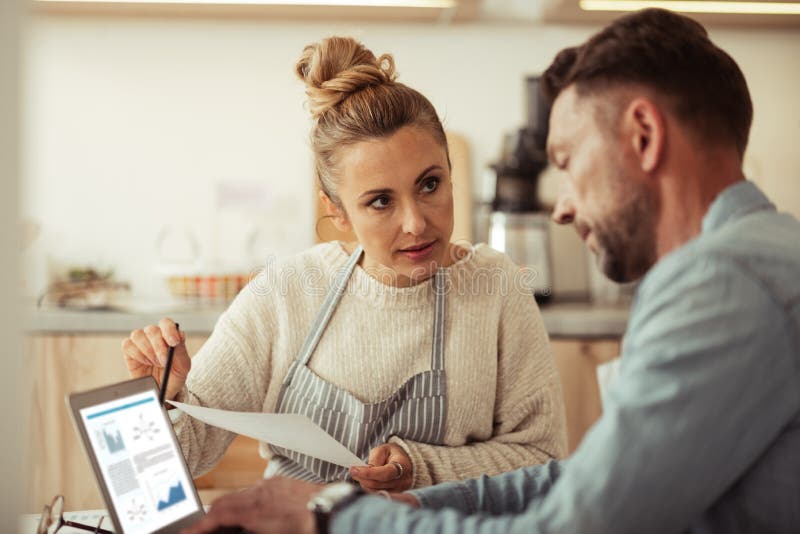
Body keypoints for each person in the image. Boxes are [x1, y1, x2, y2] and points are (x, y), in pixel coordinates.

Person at [184, 8, 800, 534]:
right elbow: (572, 484)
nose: (560, 205)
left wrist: (334, 514)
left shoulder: (721, 286)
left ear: (643, 136)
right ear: (337, 213)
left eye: (566, 160)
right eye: (379, 200)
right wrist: (391, 504)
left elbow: (573, 523)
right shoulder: (764, 257)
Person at [122, 36, 566, 493]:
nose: (416, 222)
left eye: (430, 185)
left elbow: (542, 460)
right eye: (379, 201)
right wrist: (165, 397)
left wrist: (421, 469)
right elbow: (178, 463)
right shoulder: (285, 292)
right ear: (336, 211)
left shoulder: (496, 288)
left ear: (451, 175)